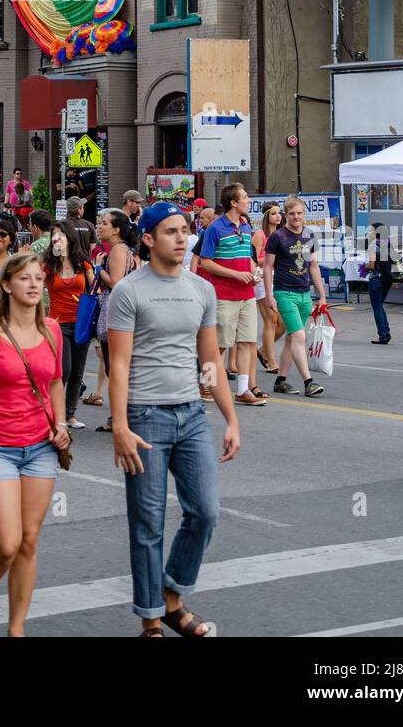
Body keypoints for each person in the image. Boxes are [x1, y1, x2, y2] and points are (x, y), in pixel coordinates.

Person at [108, 202, 239, 638]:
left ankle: (171, 596)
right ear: (147, 239)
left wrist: (230, 418)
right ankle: (153, 621)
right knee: (147, 525)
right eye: (170, 231)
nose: (182, 238)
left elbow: (209, 362)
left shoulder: (202, 289)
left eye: (185, 230)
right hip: (145, 416)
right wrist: (121, 426)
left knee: (205, 512)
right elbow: (120, 365)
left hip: (191, 415)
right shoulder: (128, 292)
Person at [0, 252, 70, 637]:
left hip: (41, 446)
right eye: (24, 278)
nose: (33, 285)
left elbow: (56, 383)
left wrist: (61, 424)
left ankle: (17, 628)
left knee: (28, 541)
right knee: (7, 544)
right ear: (6, 285)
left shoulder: (52, 331)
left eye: (39, 279)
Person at [196, 183, 267, 407]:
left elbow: (248, 257)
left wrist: (254, 272)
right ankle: (206, 382)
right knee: (219, 344)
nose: (248, 200)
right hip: (223, 294)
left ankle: (243, 389)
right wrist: (235, 275)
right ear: (234, 203)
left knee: (247, 341)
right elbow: (206, 262)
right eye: (245, 197)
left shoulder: (246, 227)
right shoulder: (214, 229)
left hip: (246, 293)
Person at [263, 195, 326, 398]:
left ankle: (281, 380)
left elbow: (313, 266)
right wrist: (269, 294)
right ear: (286, 215)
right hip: (284, 292)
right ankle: (309, 382)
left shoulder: (310, 236)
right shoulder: (278, 237)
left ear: (304, 213)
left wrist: (322, 295)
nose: (296, 217)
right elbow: (267, 267)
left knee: (292, 337)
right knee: (299, 335)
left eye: (299, 213)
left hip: (304, 293)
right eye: (292, 214)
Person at [44, 219, 94, 430]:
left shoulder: (83, 263)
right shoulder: (47, 264)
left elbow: (94, 290)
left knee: (77, 371)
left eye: (61, 235)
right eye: (54, 235)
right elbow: (34, 286)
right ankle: (54, 412)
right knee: (64, 369)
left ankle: (70, 414)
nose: (57, 239)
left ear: (70, 239)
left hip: (80, 322)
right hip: (57, 324)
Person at [94, 209, 138, 432]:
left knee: (116, 366)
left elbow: (115, 282)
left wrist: (98, 269)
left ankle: (120, 417)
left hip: (116, 311)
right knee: (116, 366)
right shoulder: (119, 249)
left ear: (116, 230)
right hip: (120, 311)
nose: (100, 226)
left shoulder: (118, 250)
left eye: (104, 223)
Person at [251, 203, 285, 373]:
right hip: (262, 279)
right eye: (273, 214)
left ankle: (264, 350)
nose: (277, 216)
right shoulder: (259, 234)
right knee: (270, 320)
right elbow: (253, 259)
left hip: (278, 279)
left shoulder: (281, 234)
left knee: (283, 323)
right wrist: (273, 259)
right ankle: (271, 361)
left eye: (279, 213)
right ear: (266, 216)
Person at [367, 221, 401, 345]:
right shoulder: (388, 244)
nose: (368, 233)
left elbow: (371, 265)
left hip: (376, 279)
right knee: (380, 306)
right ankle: (386, 332)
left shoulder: (372, 246)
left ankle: (383, 335)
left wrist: (364, 267)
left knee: (377, 307)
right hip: (386, 279)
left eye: (370, 231)